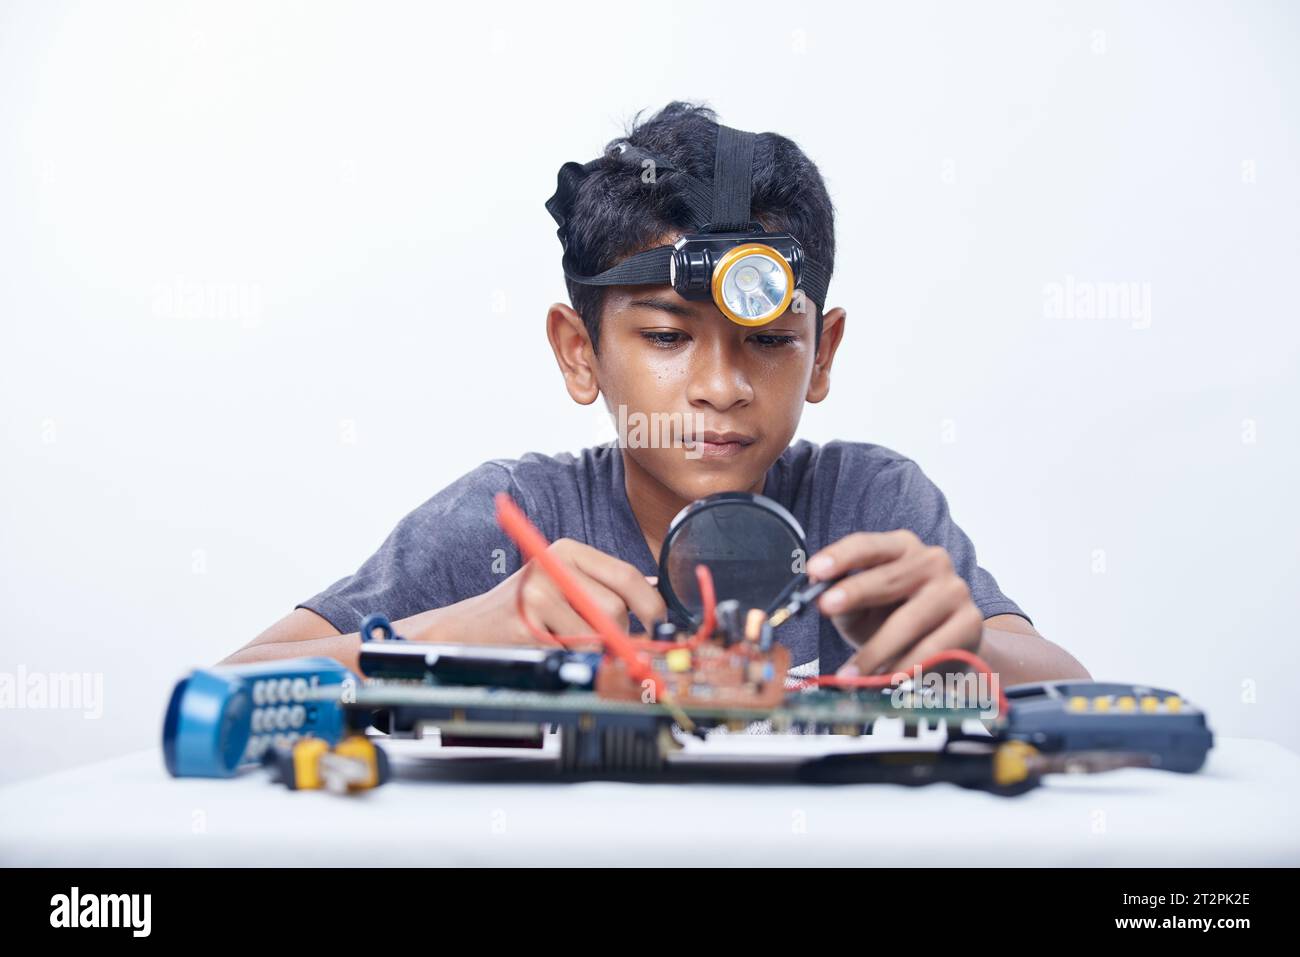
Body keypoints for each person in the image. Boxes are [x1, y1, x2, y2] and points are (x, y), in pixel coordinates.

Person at [224, 101, 1088, 686]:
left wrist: (968, 647)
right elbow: (232, 685)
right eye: (669, 337)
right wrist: (466, 628)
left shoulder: (869, 506)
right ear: (580, 351)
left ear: (822, 355)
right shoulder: (509, 518)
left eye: (770, 340)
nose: (720, 387)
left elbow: (1079, 686)